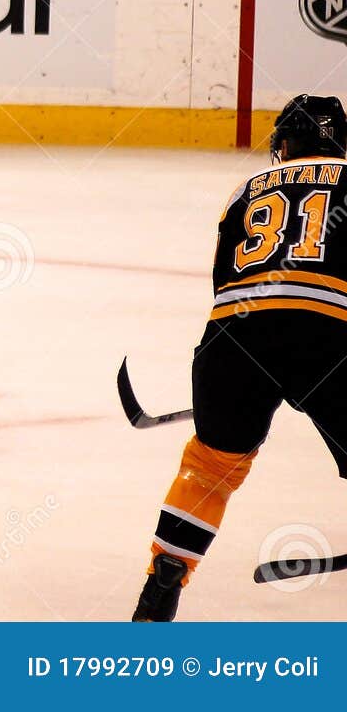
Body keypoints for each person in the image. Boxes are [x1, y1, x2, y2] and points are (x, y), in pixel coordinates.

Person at [132, 95, 347, 621]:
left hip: (232, 338)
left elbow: (223, 284)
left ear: (284, 144)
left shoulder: (244, 191)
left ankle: (167, 574)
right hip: (327, 337)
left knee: (210, 467)